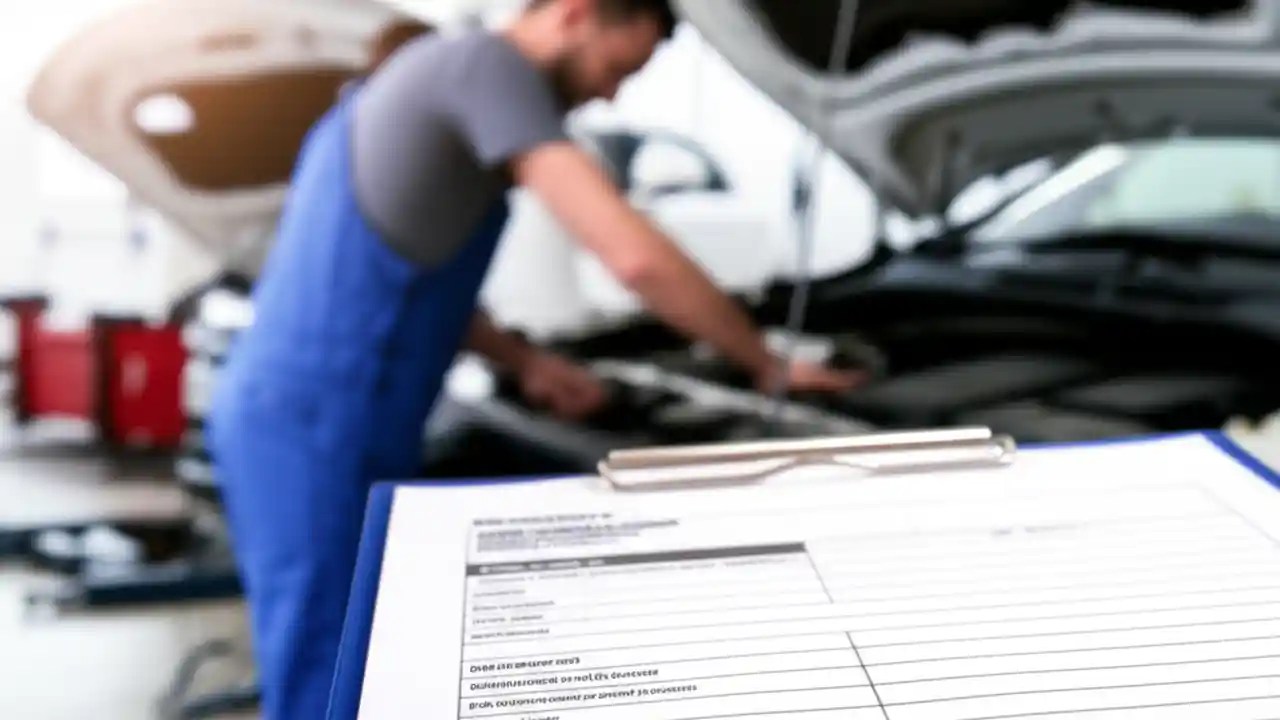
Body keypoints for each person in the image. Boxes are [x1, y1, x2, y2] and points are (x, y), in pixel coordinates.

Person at [208, 1, 864, 717]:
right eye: (618, 69)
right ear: (574, 15)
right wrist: (764, 365)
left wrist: (525, 362)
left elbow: (407, 269)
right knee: (329, 677)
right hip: (311, 427)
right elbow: (631, 255)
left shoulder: (431, 78)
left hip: (328, 417)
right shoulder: (486, 66)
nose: (611, 94)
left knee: (357, 657)